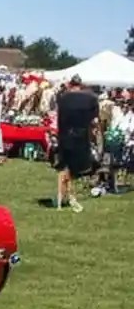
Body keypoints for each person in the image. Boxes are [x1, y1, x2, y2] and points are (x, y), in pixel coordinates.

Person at [53, 75, 99, 212]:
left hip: (65, 136)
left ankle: (61, 199)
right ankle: (71, 198)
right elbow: (94, 122)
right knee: (74, 171)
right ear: (81, 84)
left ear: (70, 84)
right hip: (81, 137)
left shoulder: (62, 98)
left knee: (64, 169)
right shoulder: (91, 99)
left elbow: (59, 119)